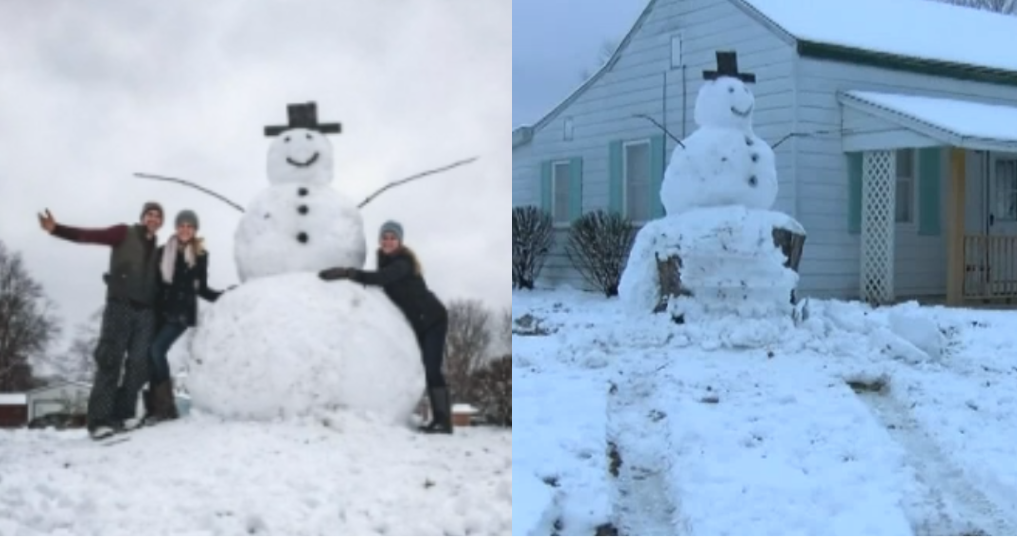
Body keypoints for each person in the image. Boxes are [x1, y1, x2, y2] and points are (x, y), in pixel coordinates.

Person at [38, 202, 164, 440]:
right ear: (143, 217)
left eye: (158, 216)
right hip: (121, 306)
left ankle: (123, 415)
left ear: (160, 222)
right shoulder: (124, 232)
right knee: (110, 360)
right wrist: (57, 229)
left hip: (146, 312)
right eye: (150, 214)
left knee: (138, 365)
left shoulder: (157, 249)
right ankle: (99, 421)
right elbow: (91, 235)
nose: (153, 218)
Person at [318, 220, 453, 434]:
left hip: (433, 319)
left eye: (393, 238)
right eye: (385, 237)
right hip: (418, 321)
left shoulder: (403, 262)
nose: (388, 241)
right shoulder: (385, 260)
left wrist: (348, 273)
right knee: (423, 366)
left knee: (432, 367)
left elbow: (382, 278)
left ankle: (443, 421)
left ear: (399, 241)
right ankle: (438, 419)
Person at [143, 209, 224, 425]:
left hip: (181, 313)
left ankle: (165, 407)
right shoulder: (162, 252)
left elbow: (202, 289)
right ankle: (154, 411)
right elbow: (152, 282)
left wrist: (225, 296)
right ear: (176, 228)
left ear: (195, 230)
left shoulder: (200, 255)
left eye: (190, 226)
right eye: (182, 225)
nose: (185, 229)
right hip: (160, 310)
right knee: (150, 356)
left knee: (157, 349)